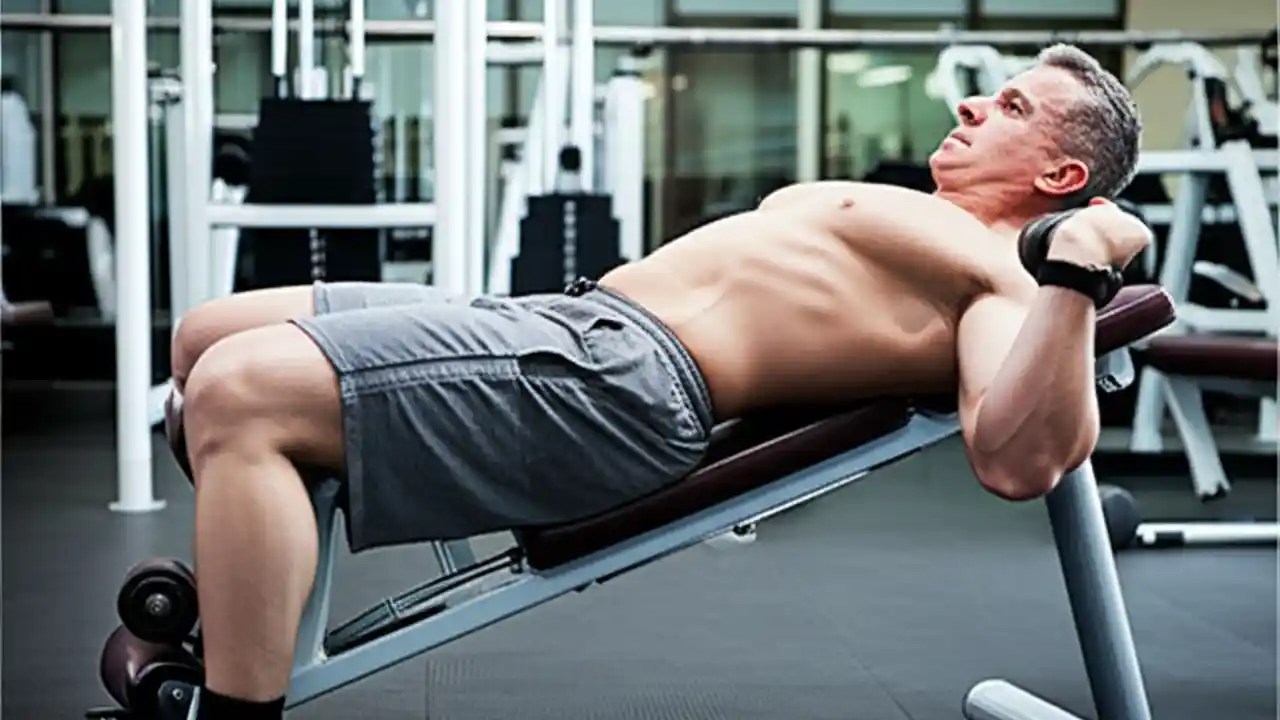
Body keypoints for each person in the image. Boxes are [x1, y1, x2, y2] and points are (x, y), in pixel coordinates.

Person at [161, 43, 1151, 719]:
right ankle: (251, 606)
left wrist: (1078, 268)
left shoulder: (1002, 277)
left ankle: (239, 702)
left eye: (1012, 108)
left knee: (241, 389)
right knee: (208, 340)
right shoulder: (936, 222)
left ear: (1062, 178)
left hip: (616, 380)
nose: (971, 106)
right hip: (559, 320)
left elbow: (1020, 459)